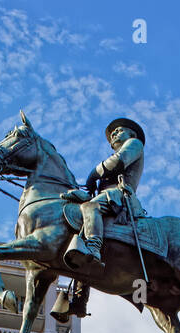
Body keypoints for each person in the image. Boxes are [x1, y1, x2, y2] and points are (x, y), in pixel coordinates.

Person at [62, 117, 146, 273]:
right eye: (112, 133)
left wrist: (93, 175)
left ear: (131, 134)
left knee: (90, 206)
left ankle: (93, 248)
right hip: (107, 195)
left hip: (119, 194)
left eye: (119, 131)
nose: (114, 135)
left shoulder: (135, 144)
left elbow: (118, 162)